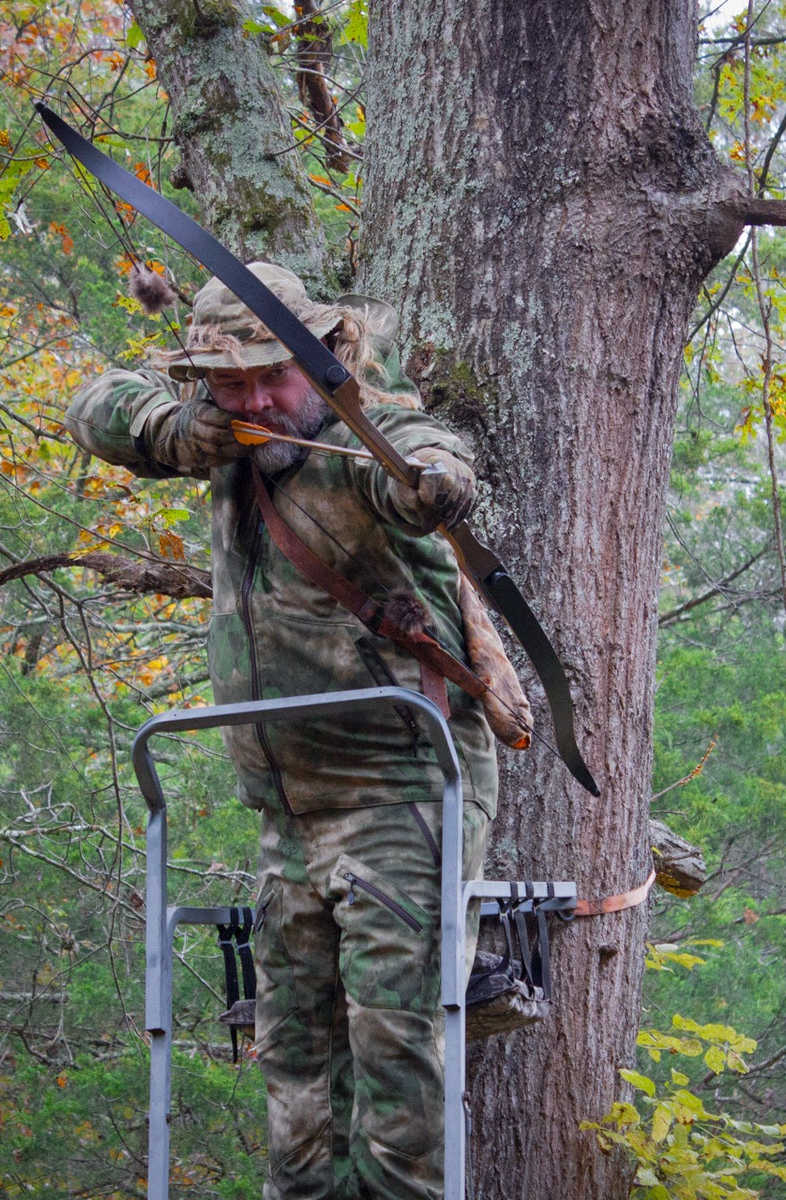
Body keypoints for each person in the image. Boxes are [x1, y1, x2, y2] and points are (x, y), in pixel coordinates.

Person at [65, 262, 498, 1200]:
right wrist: (182, 430)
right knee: (294, 1073)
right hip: (287, 820)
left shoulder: (367, 431)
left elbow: (420, 454)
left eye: (276, 375)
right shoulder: (221, 442)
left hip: (402, 800)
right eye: (234, 382)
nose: (259, 399)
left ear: (330, 358)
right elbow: (95, 401)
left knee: (398, 1058)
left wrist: (434, 481)